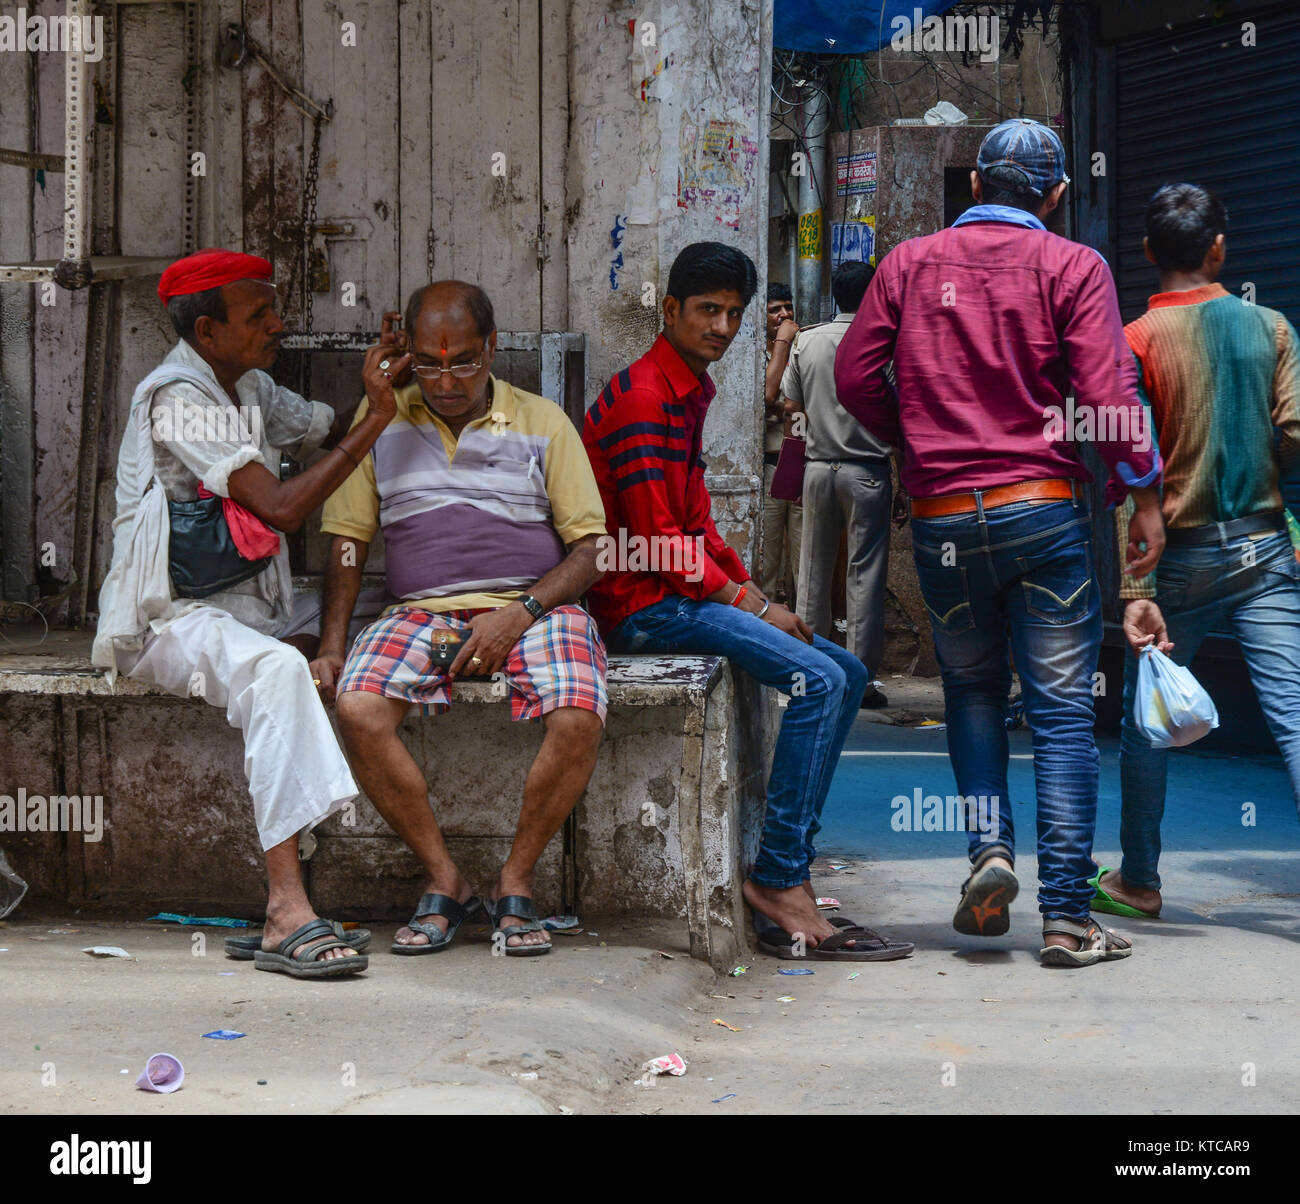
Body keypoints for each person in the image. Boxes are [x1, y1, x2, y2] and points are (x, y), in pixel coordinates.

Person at [835, 119, 1164, 967]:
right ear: (1055, 197)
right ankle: (1065, 918)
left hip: (944, 518)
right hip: (1043, 510)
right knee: (1058, 717)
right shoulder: (1073, 266)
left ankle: (988, 851)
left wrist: (913, 440)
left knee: (972, 694)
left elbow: (853, 377)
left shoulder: (908, 264)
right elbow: (1104, 392)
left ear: (974, 187)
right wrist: (1143, 488)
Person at [583, 241, 913, 962]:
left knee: (849, 674)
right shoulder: (643, 398)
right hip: (639, 609)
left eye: (734, 314)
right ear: (668, 311)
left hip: (676, 592)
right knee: (820, 678)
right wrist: (754, 609)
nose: (724, 328)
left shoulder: (687, 388)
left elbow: (696, 522)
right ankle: (780, 880)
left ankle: (786, 865)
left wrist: (756, 596)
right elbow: (658, 541)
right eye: (707, 311)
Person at [93, 248, 411, 978]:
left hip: (252, 604)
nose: (279, 322)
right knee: (274, 671)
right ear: (207, 332)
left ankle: (301, 883)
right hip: (169, 619)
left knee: (376, 607)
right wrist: (378, 422)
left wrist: (387, 379)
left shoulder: (255, 387)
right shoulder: (176, 397)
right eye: (259, 314)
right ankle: (286, 910)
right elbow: (282, 504)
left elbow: (330, 434)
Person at [315, 281, 608, 957]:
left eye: (464, 361)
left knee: (577, 714)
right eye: (428, 362)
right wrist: (333, 645)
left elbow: (593, 550)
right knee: (357, 709)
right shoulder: (378, 420)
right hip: (422, 613)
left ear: (493, 348)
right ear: (404, 355)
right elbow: (348, 539)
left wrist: (520, 612)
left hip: (532, 605)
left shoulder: (542, 420)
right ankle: (446, 877)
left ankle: (516, 880)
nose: (446, 380)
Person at [1096, 183, 1300, 920]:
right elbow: (1298, 431)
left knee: (1149, 717)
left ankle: (1140, 881)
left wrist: (1131, 587)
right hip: (1266, 548)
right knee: (1295, 714)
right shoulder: (1270, 327)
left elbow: (1133, 464)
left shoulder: (1135, 340)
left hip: (1177, 556)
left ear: (1150, 253)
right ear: (1220, 247)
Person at [784, 260, 893, 708]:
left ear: (835, 294)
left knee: (811, 571)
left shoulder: (806, 340)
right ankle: (859, 680)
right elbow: (895, 413)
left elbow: (792, 407)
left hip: (815, 467)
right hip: (867, 471)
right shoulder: (883, 344)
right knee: (863, 576)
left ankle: (809, 673)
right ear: (873, 296)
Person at [761, 282, 802, 603]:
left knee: (804, 558)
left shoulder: (803, 348)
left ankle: (806, 624)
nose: (784, 314)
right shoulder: (756, 354)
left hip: (802, 462)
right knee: (768, 555)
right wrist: (781, 344)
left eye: (787, 307)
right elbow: (770, 397)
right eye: (775, 309)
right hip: (771, 464)